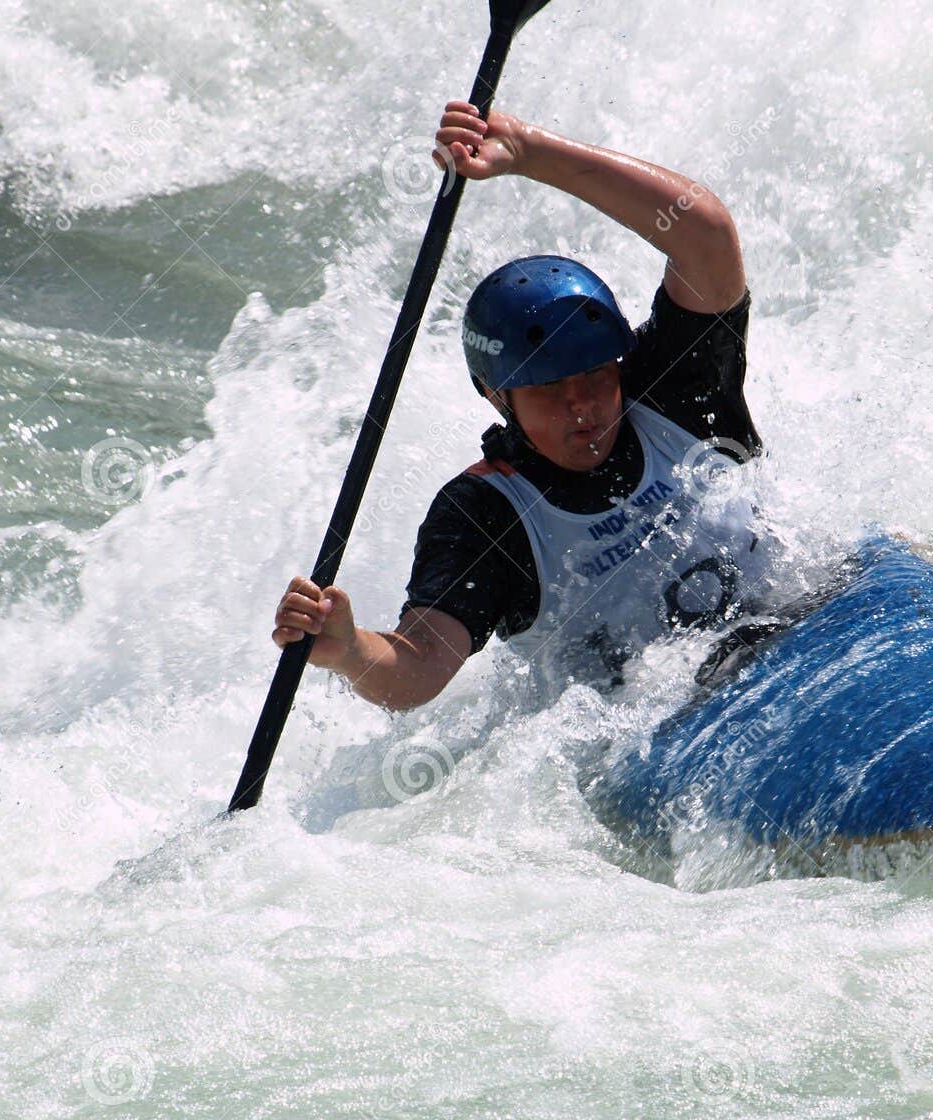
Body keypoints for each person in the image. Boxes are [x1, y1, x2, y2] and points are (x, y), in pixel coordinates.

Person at [272, 99, 771, 709]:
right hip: (657, 734)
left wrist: (531, 153)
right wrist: (350, 651)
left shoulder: (675, 390)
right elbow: (417, 671)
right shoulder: (487, 515)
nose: (582, 406)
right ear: (496, 397)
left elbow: (704, 230)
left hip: (797, 635)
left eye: (593, 375)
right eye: (549, 390)